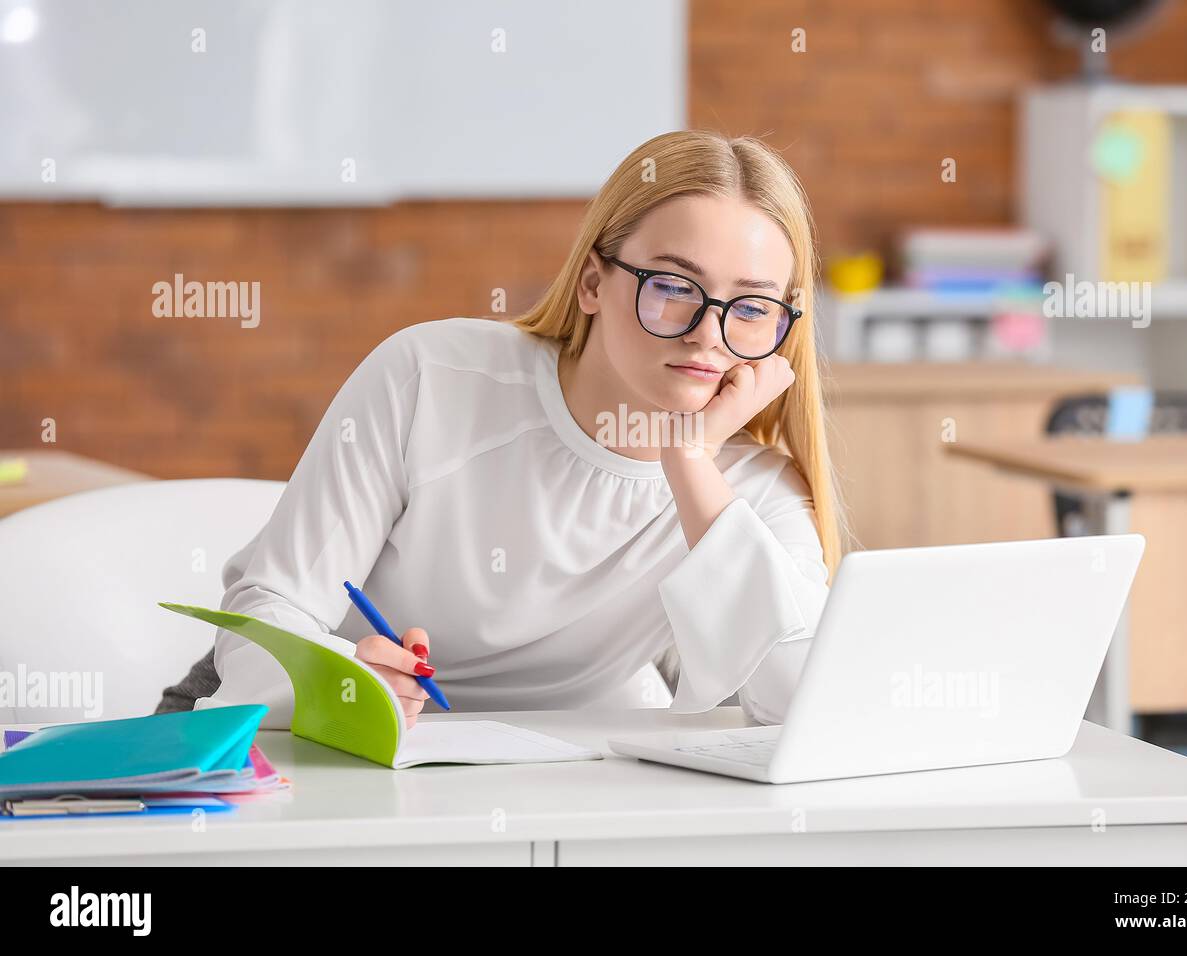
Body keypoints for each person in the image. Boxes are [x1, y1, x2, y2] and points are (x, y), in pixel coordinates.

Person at [156, 129, 846, 730]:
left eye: (750, 307)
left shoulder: (753, 490)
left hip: (521, 769)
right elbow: (268, 611)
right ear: (592, 284)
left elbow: (800, 705)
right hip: (293, 722)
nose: (707, 335)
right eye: (671, 287)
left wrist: (691, 463)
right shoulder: (431, 377)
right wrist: (346, 681)